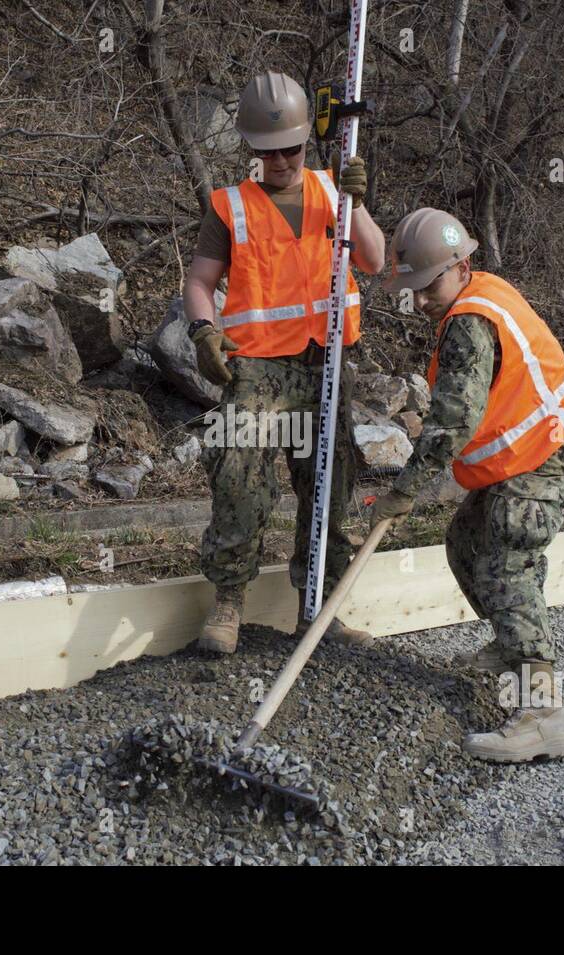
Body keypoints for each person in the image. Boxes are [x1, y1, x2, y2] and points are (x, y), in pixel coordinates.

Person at [369, 208, 564, 762]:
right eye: (413, 289)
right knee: (465, 541)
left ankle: (543, 716)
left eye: (428, 286)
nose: (419, 301)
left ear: (462, 265)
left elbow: (453, 419)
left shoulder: (471, 320)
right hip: (523, 455)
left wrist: (404, 491)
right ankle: (512, 643)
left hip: (545, 454)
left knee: (504, 561)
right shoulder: (479, 293)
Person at [184, 70, 386, 654]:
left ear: (307, 139)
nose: (280, 160)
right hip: (256, 372)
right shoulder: (231, 207)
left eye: (291, 148)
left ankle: (317, 609)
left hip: (325, 367)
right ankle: (228, 604)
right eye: (267, 151)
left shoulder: (333, 191)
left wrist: (358, 203)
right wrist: (203, 331)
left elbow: (372, 261)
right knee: (238, 477)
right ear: (252, 147)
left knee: (330, 484)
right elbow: (200, 281)